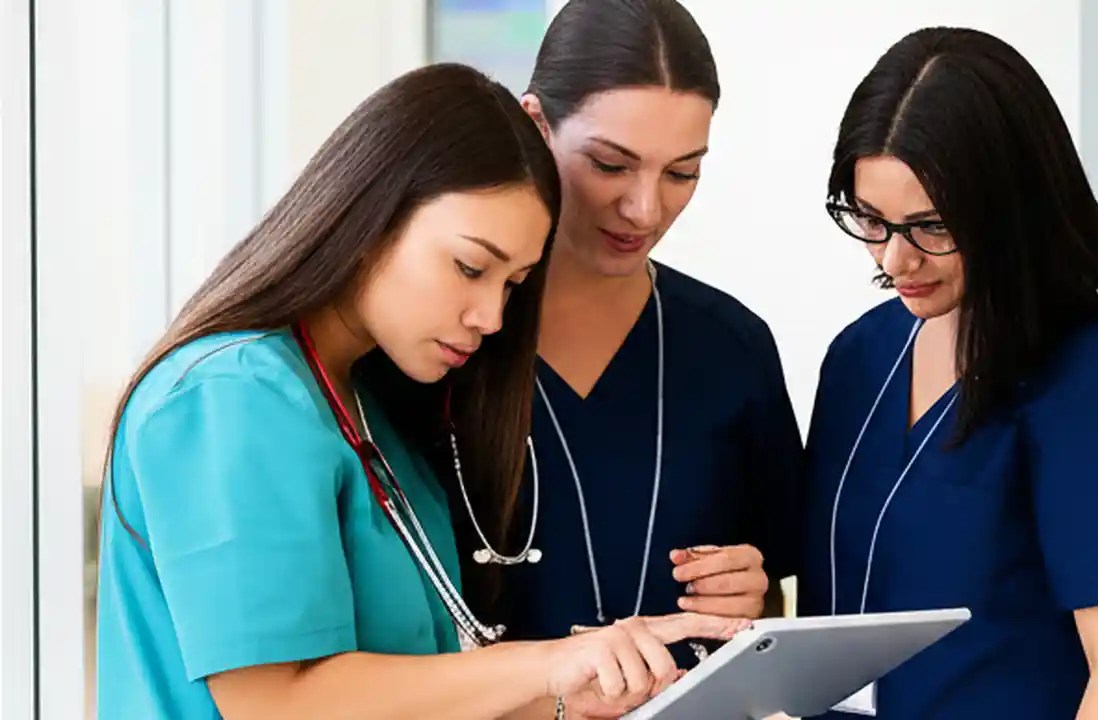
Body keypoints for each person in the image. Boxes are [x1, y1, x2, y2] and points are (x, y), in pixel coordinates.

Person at [95, 62, 747, 720]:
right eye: (470, 267)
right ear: (370, 215)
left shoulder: (373, 406)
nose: (491, 317)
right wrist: (545, 665)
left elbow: (409, 692)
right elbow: (275, 703)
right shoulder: (230, 396)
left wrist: (565, 697)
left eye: (513, 284)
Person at [798, 28, 1098, 720]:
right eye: (872, 220)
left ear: (1012, 211)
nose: (895, 261)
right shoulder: (859, 357)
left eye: (931, 226)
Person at [443, 1, 804, 715]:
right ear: (536, 125)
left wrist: (751, 591)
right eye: (611, 164)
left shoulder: (731, 348)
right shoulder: (450, 339)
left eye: (682, 172)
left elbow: (773, 603)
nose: (644, 209)